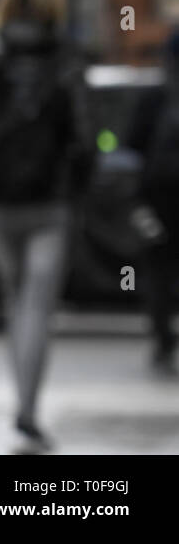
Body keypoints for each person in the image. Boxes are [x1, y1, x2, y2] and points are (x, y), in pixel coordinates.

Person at [0, 0, 93, 453]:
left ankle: (24, 405)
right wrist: (73, 191)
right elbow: (83, 142)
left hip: (0, 206)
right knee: (37, 308)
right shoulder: (65, 63)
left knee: (17, 302)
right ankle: (27, 411)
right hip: (49, 207)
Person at [125, 26, 179, 375]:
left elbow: (131, 145)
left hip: (159, 196)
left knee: (158, 268)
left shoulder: (155, 94)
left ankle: (163, 338)